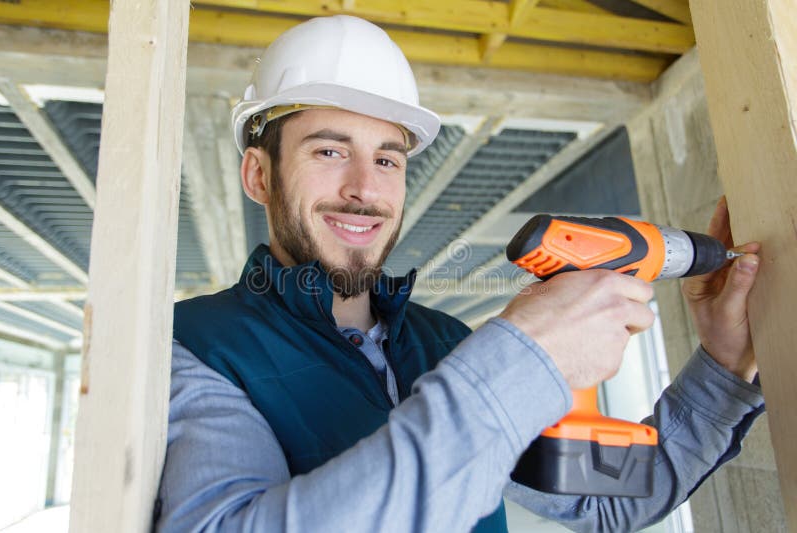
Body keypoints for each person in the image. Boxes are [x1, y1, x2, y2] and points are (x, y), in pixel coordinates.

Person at [155, 15, 764, 533]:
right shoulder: (197, 345)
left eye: (387, 158)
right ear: (259, 175)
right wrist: (522, 360)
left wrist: (722, 364)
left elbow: (611, 495)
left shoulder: (446, 343)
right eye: (329, 151)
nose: (365, 189)